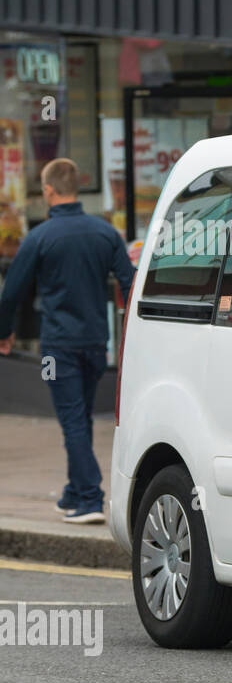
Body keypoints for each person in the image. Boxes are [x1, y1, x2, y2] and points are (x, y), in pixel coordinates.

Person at [0, 158, 135, 524]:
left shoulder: (40, 237)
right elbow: (130, 283)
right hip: (96, 343)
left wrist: (4, 333)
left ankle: (90, 497)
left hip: (57, 348)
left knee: (72, 419)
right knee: (81, 417)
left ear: (48, 191)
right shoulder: (105, 233)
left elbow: (10, 293)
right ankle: (73, 492)